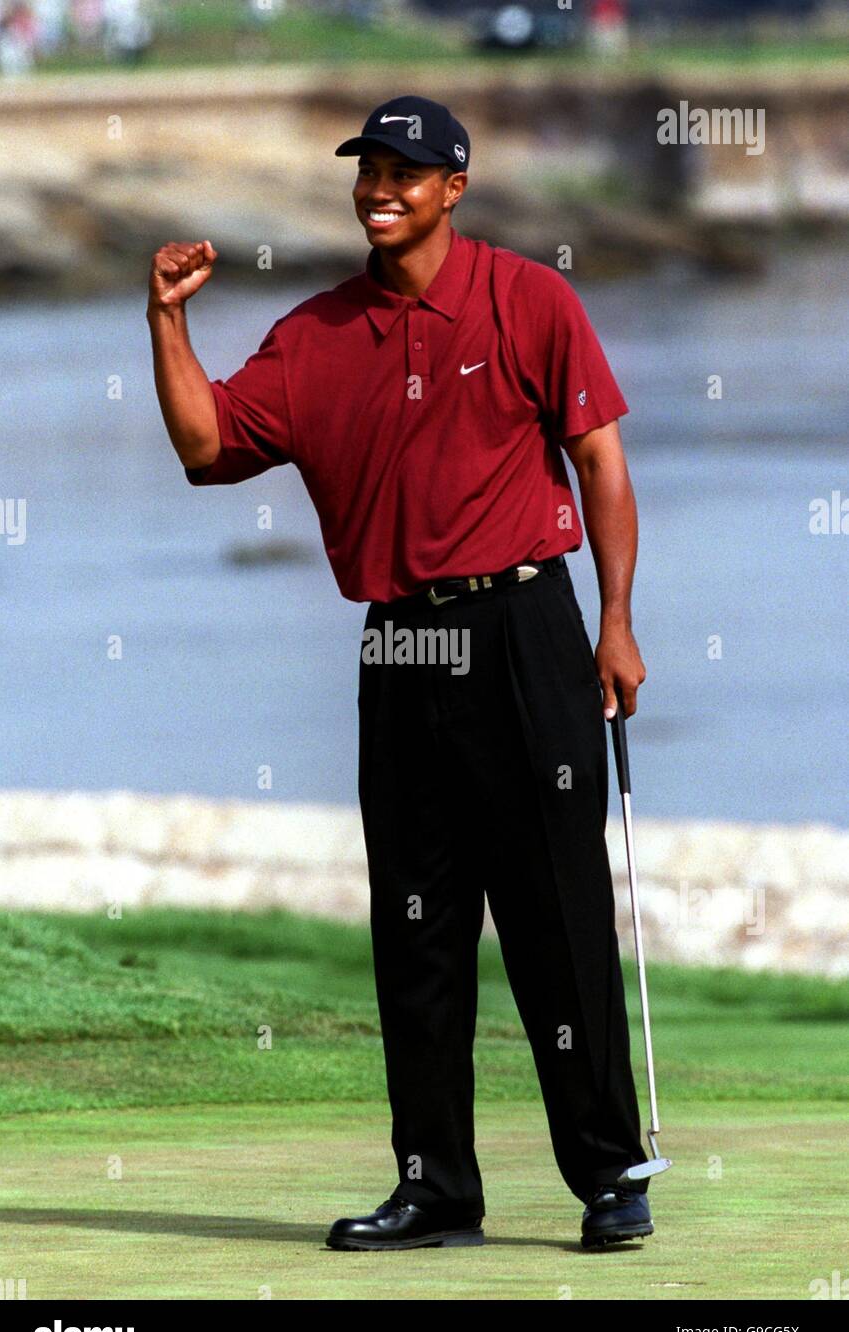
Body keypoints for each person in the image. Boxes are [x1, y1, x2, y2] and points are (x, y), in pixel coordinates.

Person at [146, 94, 654, 1252]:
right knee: (415, 932)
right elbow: (205, 447)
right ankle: (434, 1186)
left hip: (526, 629)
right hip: (398, 647)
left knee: (556, 925)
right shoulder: (315, 336)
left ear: (451, 187)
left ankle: (608, 1174)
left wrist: (615, 621)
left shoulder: (530, 300)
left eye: (405, 171)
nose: (380, 186)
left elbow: (599, 463)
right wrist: (167, 323)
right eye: (367, 169)